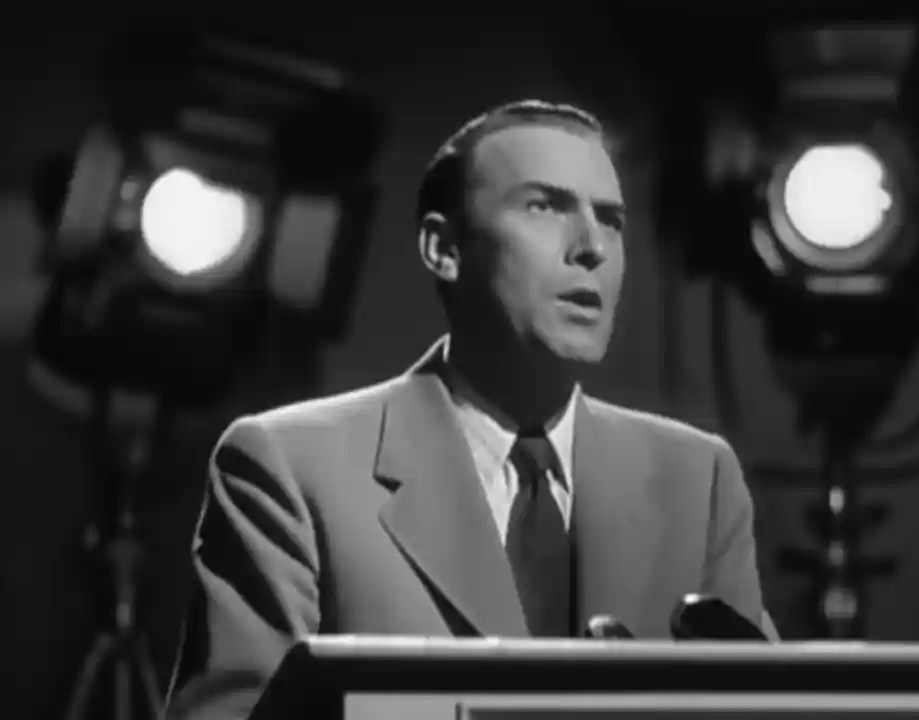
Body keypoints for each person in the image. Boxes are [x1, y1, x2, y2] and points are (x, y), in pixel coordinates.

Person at [166, 99, 776, 719]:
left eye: (611, 219)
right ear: (444, 247)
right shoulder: (292, 468)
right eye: (544, 206)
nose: (592, 247)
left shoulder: (698, 478)